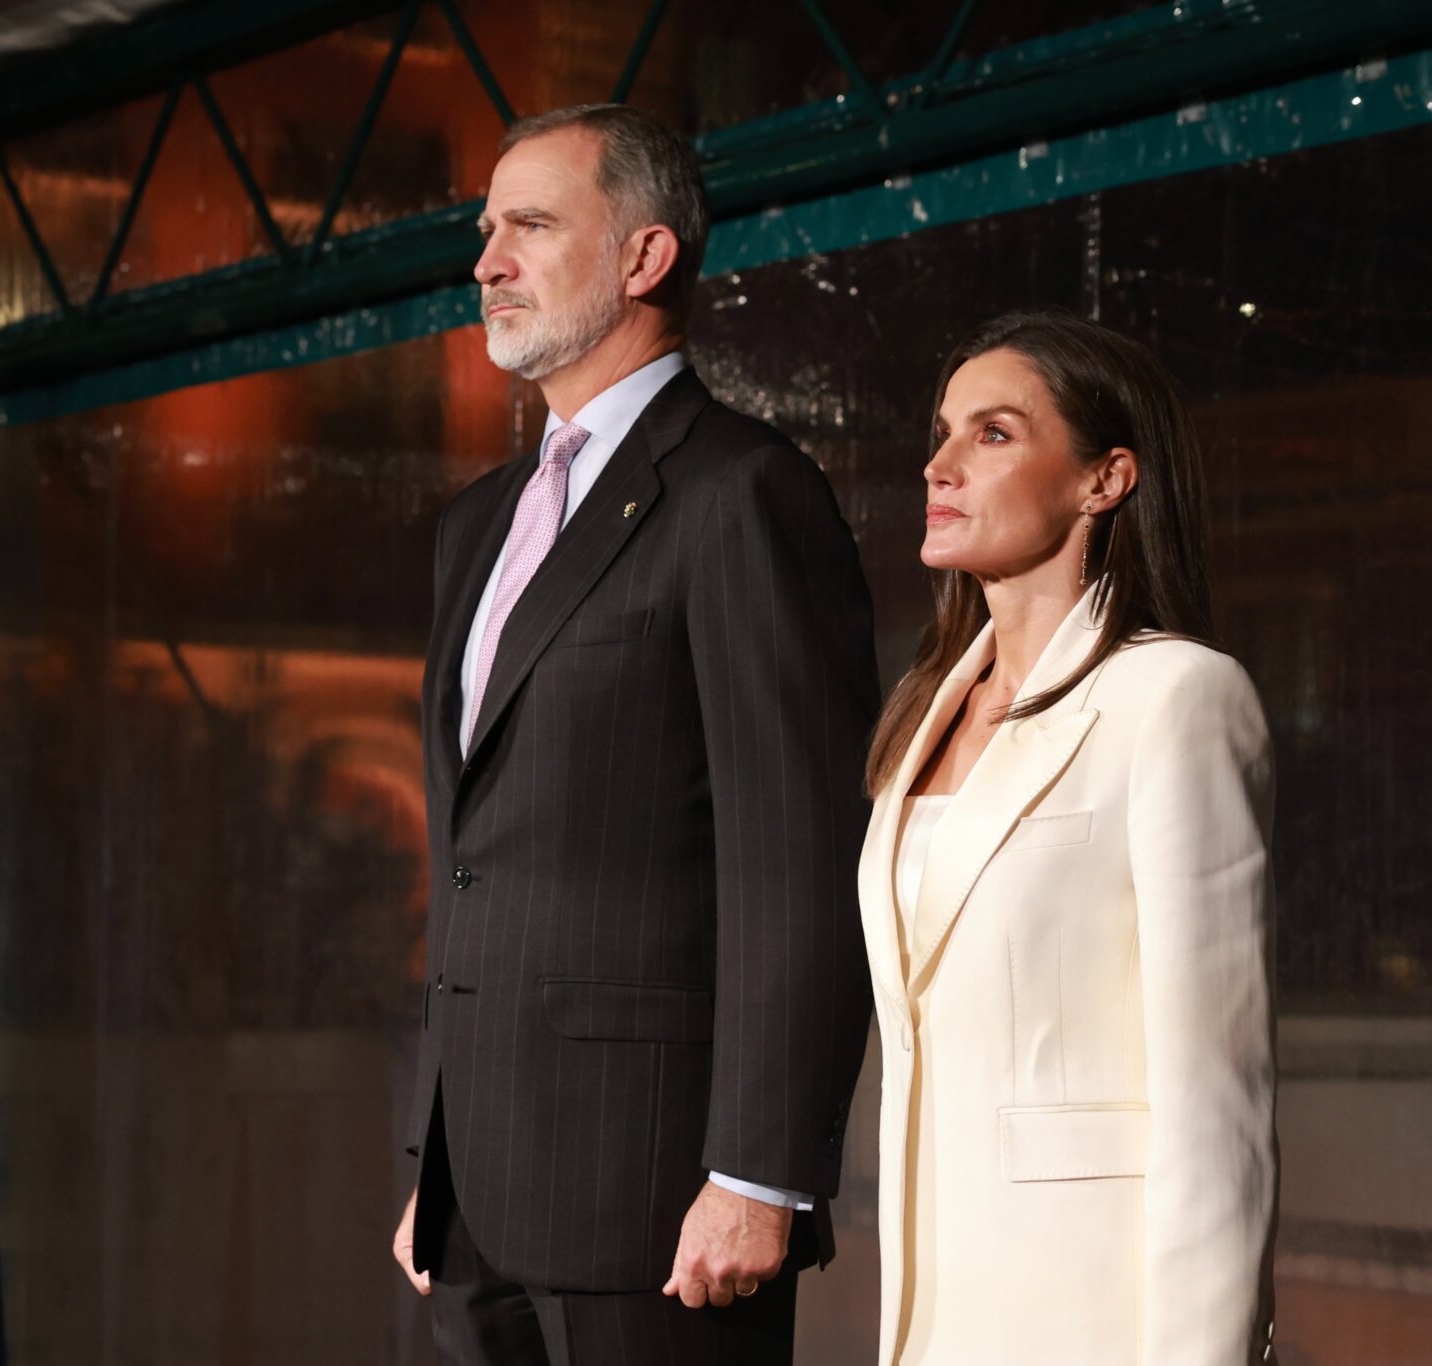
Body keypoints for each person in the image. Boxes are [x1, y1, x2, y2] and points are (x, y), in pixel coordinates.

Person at [390, 103, 878, 1365]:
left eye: (530, 226)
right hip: (472, 1201)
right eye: (484, 229)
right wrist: (428, 1157)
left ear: (645, 257)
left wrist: (763, 1173)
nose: (486, 260)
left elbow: (799, 858)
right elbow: (473, 851)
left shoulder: (740, 493)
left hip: (657, 1201)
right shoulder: (473, 526)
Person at [859, 310, 1278, 1365]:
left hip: (1091, 1315)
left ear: (1105, 479)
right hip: (929, 1307)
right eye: (942, 429)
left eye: (991, 433)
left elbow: (1213, 1100)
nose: (938, 462)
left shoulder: (1175, 696)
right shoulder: (920, 716)